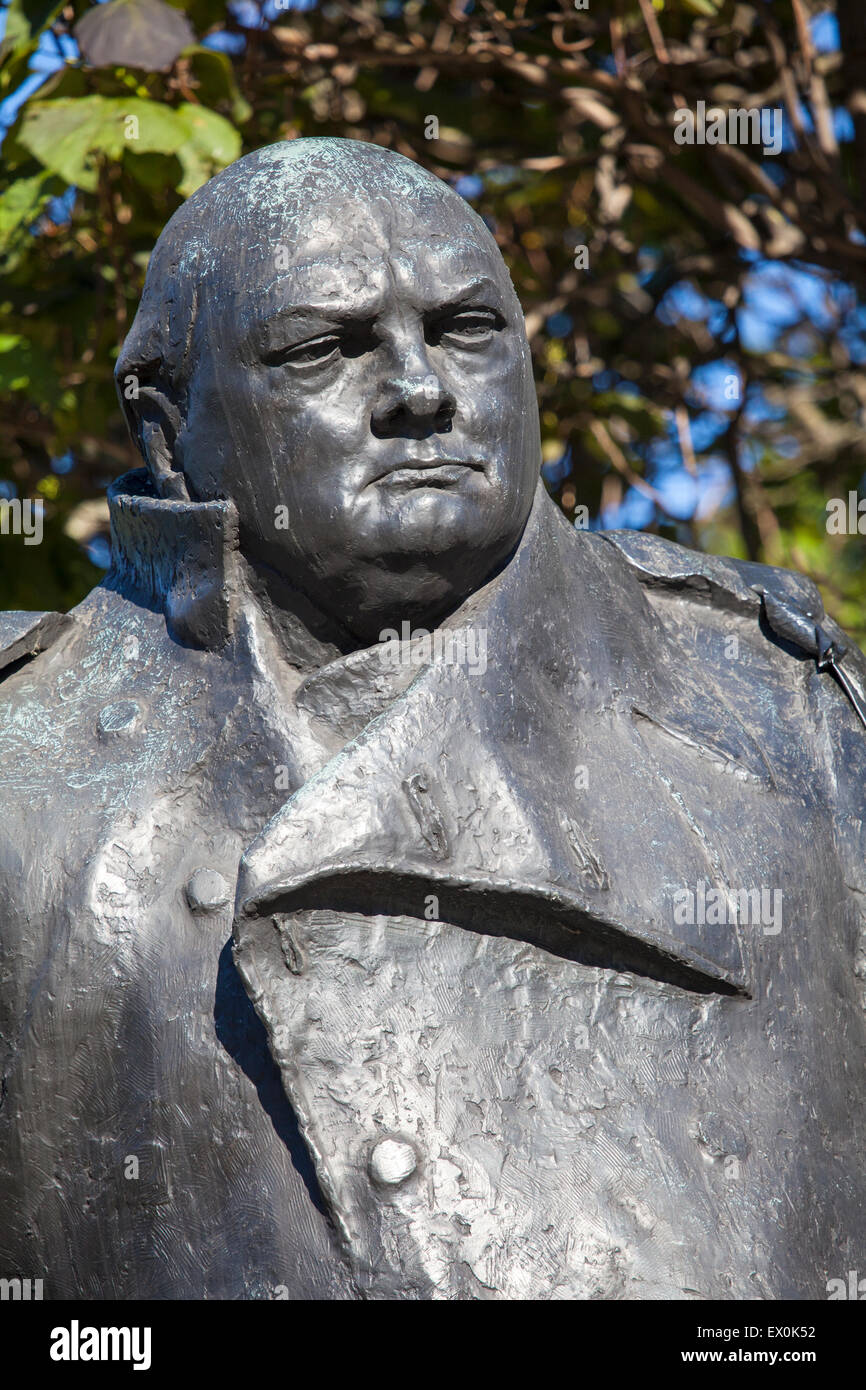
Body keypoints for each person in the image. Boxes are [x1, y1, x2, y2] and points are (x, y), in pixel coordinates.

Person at [1, 138, 864, 1300]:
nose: (420, 390)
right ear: (164, 425)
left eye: (467, 331)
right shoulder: (26, 755)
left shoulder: (772, 709)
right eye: (322, 349)